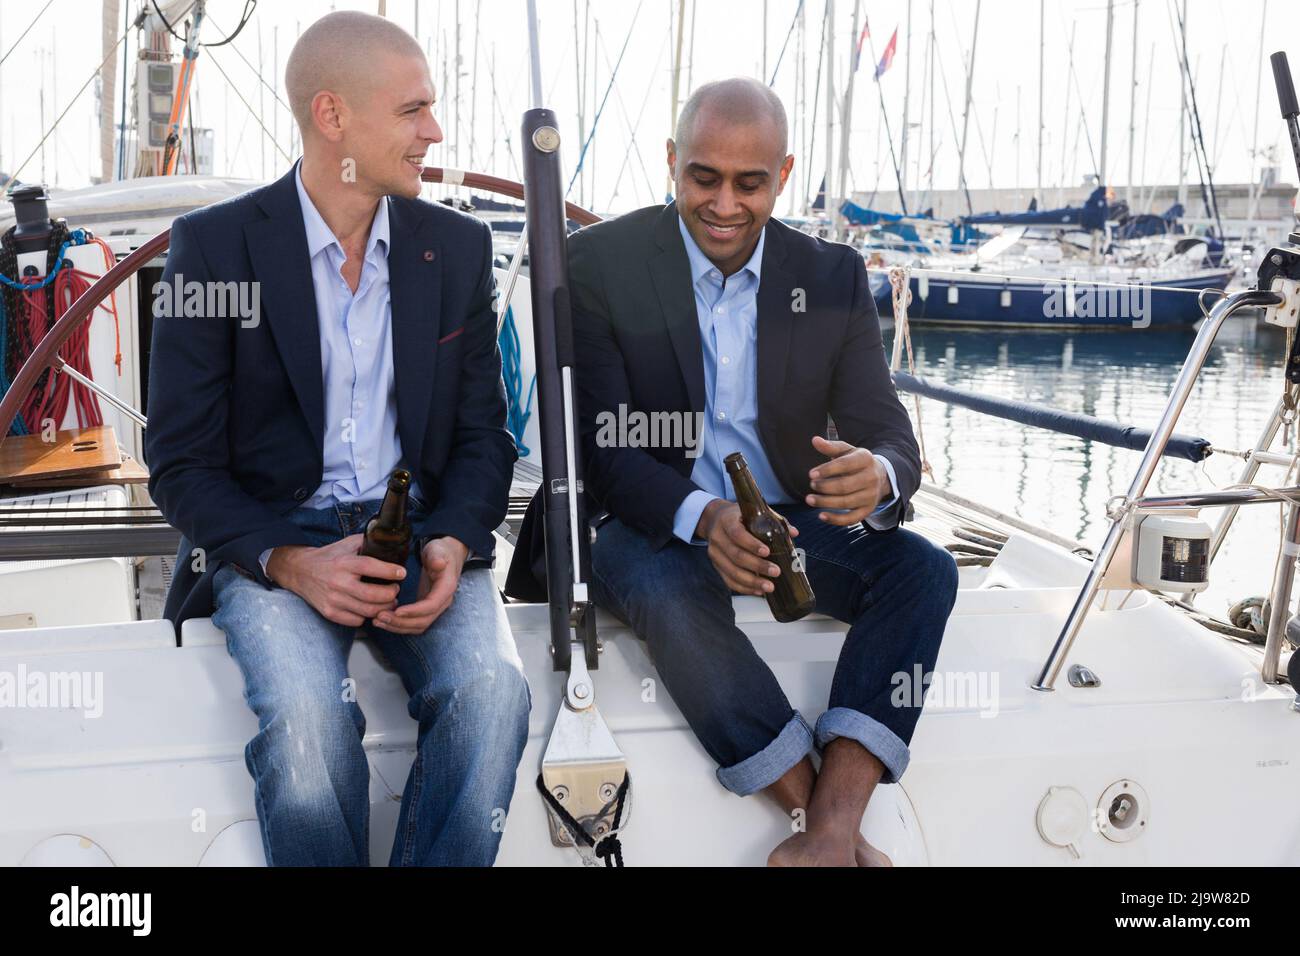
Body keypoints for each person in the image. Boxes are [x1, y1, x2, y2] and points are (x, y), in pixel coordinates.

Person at [507, 77, 957, 867]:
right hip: (637, 516)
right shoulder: (600, 263)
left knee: (923, 572)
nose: (723, 203)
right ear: (672, 162)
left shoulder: (830, 274)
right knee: (669, 588)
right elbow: (605, 452)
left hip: (780, 515)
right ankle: (825, 830)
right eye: (702, 178)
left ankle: (829, 832)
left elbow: (885, 427)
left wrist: (881, 474)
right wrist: (706, 519)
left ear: (782, 175)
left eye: (749, 183)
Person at [146, 11, 529, 866]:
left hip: (418, 532)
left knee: (494, 692)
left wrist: (456, 540)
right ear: (332, 117)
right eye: (412, 111)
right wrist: (289, 561)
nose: (434, 132)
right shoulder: (212, 251)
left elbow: (482, 436)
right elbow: (178, 464)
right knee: (311, 730)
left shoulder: (454, 248)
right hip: (272, 541)